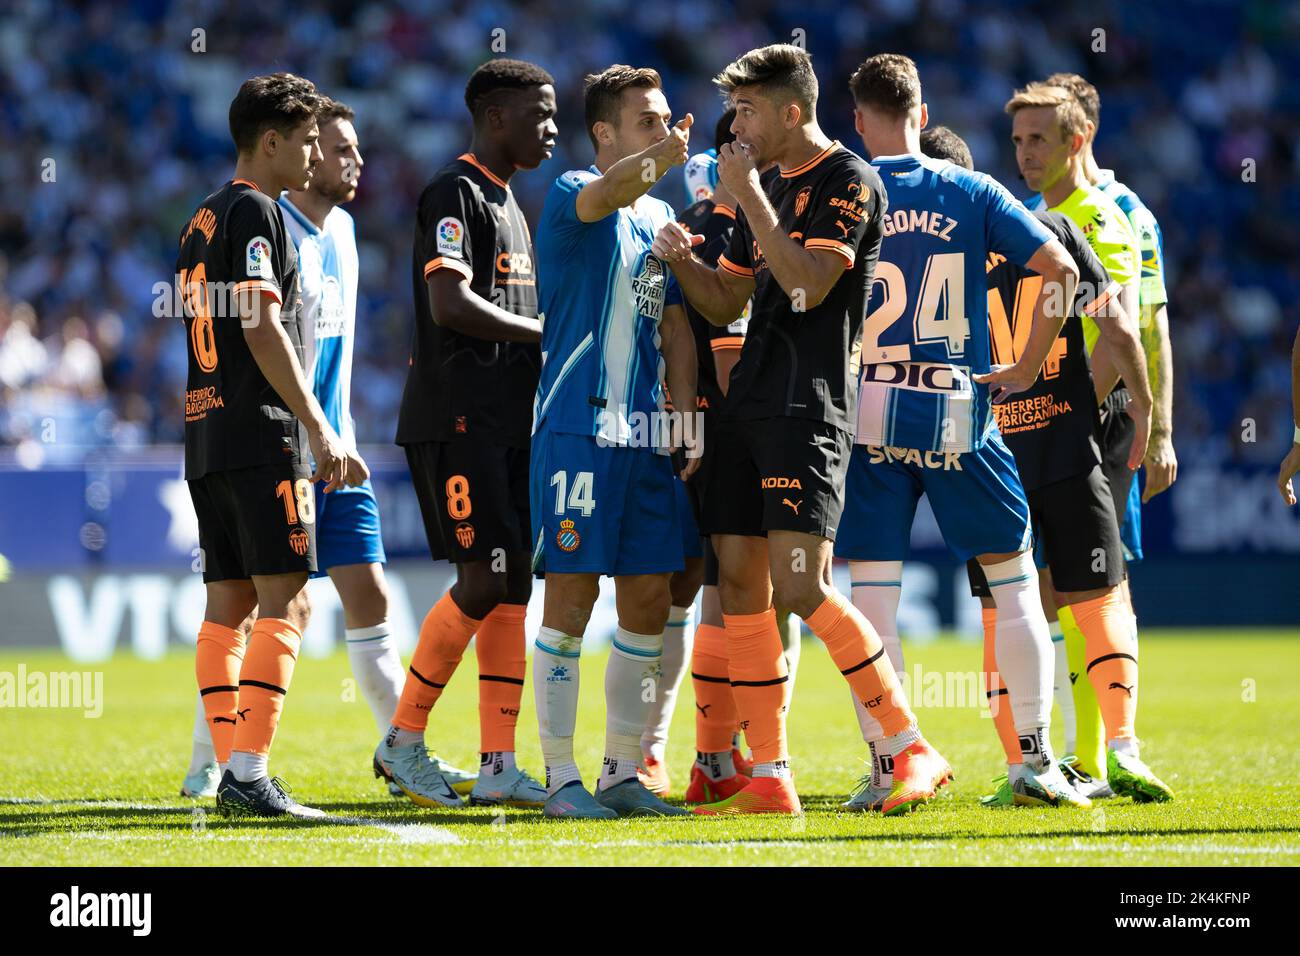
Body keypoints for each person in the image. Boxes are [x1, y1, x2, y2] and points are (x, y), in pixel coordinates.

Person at [653, 45, 948, 817]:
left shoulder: (849, 179)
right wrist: (685, 263)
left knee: (801, 584)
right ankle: (771, 772)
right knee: (743, 584)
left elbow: (810, 286)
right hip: (750, 402)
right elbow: (726, 304)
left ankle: (907, 744)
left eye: (747, 111)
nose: (736, 128)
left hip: (808, 404)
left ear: (790, 111)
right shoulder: (773, 183)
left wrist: (747, 195)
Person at [834, 55, 1083, 811]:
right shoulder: (971, 189)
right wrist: (1025, 365)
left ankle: (889, 764)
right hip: (960, 413)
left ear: (858, 117)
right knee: (1012, 592)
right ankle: (1034, 763)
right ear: (921, 107)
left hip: (868, 420)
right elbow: (1062, 270)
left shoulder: (840, 188)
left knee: (872, 601)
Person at [920, 125, 1172, 804]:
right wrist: (1142, 414)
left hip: (981, 454)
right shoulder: (1052, 227)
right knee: (1102, 597)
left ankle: (1022, 768)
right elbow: (1119, 327)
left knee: (1005, 611)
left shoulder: (924, 257)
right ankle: (1123, 751)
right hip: (1066, 444)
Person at [179, 73, 368, 817]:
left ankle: (233, 771)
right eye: (308, 139)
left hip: (206, 428)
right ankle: (251, 775)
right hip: (261, 434)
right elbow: (260, 322)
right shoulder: (259, 211)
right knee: (288, 607)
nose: (316, 149)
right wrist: (318, 426)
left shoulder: (202, 216)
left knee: (228, 610)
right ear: (271, 142)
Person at [378, 59, 557, 809]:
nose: (551, 127)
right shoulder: (456, 192)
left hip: (504, 425)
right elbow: (448, 302)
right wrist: (541, 333)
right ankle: (402, 742)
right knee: (482, 580)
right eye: (538, 113)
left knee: (514, 588)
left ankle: (496, 764)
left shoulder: (511, 203)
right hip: (457, 421)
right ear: (494, 116)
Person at [530, 64, 698, 819]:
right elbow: (608, 192)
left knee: (650, 598)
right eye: (648, 121)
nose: (663, 131)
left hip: (645, 439)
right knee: (571, 598)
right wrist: (665, 159)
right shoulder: (573, 192)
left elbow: (665, 323)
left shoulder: (656, 217)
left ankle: (622, 771)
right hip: (578, 430)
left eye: (665, 120)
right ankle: (562, 779)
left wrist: (686, 413)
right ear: (605, 133)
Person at [1006, 81, 1173, 800]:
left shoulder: (1106, 216)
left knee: (1096, 585)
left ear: (1079, 138)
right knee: (1052, 585)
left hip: (1088, 424)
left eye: (1038, 139)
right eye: (1016, 141)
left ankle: (1105, 750)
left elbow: (1129, 329)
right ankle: (1080, 756)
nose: (1024, 153)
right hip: (1049, 421)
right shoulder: (1041, 218)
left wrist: (1151, 421)